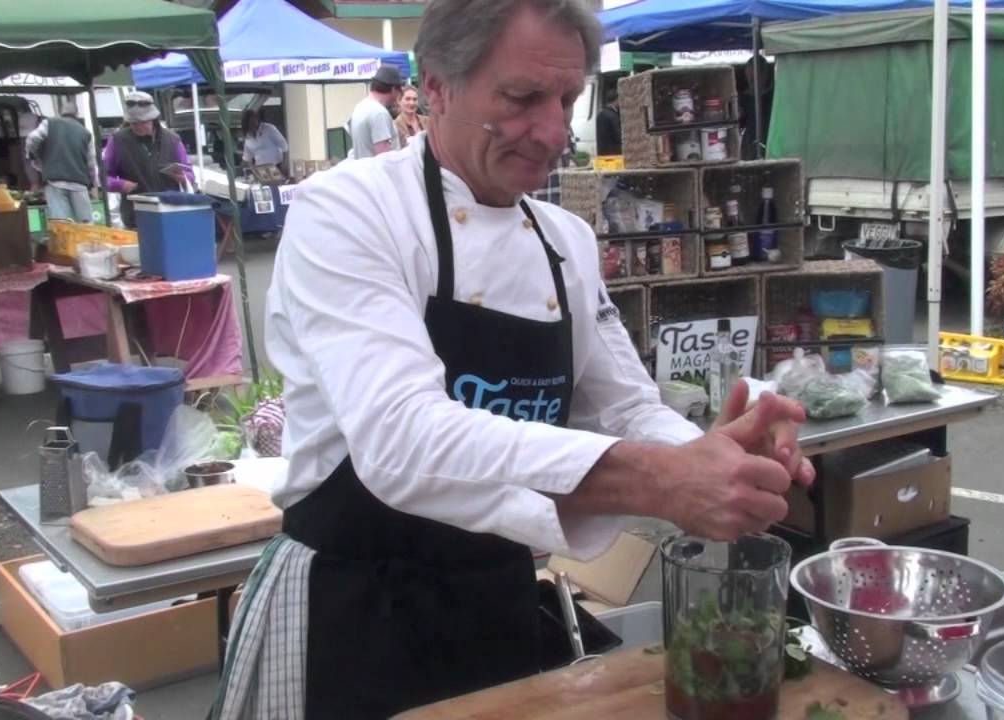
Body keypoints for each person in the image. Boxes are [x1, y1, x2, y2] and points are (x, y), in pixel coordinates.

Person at [212, 1, 813, 718]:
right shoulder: (348, 213)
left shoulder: (565, 242)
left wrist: (716, 458)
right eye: (523, 98)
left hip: (494, 602)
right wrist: (662, 480)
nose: (555, 132)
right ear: (435, 87)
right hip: (350, 611)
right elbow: (401, 438)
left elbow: (624, 405)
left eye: (568, 99)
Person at [102, 91, 190, 228]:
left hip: (169, 211)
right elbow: (104, 177)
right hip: (136, 214)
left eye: (142, 122)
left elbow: (189, 174)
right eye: (133, 123)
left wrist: (183, 178)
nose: (137, 126)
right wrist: (119, 184)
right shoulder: (118, 140)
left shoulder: (173, 140)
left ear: (152, 119)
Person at [25, 100, 97, 222]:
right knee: (85, 225)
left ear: (60, 112)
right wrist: (94, 185)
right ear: (76, 114)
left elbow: (32, 138)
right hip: (79, 184)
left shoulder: (50, 123)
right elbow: (91, 163)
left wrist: (34, 157)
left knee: (62, 224)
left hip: (55, 181)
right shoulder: (85, 133)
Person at [348, 65, 404, 158]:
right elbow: (384, 157)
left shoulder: (360, 107)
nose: (398, 97)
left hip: (363, 169)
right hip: (377, 171)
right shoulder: (379, 113)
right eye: (399, 91)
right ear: (394, 89)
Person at [596, 85, 622, 156]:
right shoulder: (613, 115)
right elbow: (618, 136)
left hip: (602, 153)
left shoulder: (600, 114)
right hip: (614, 153)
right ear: (616, 100)